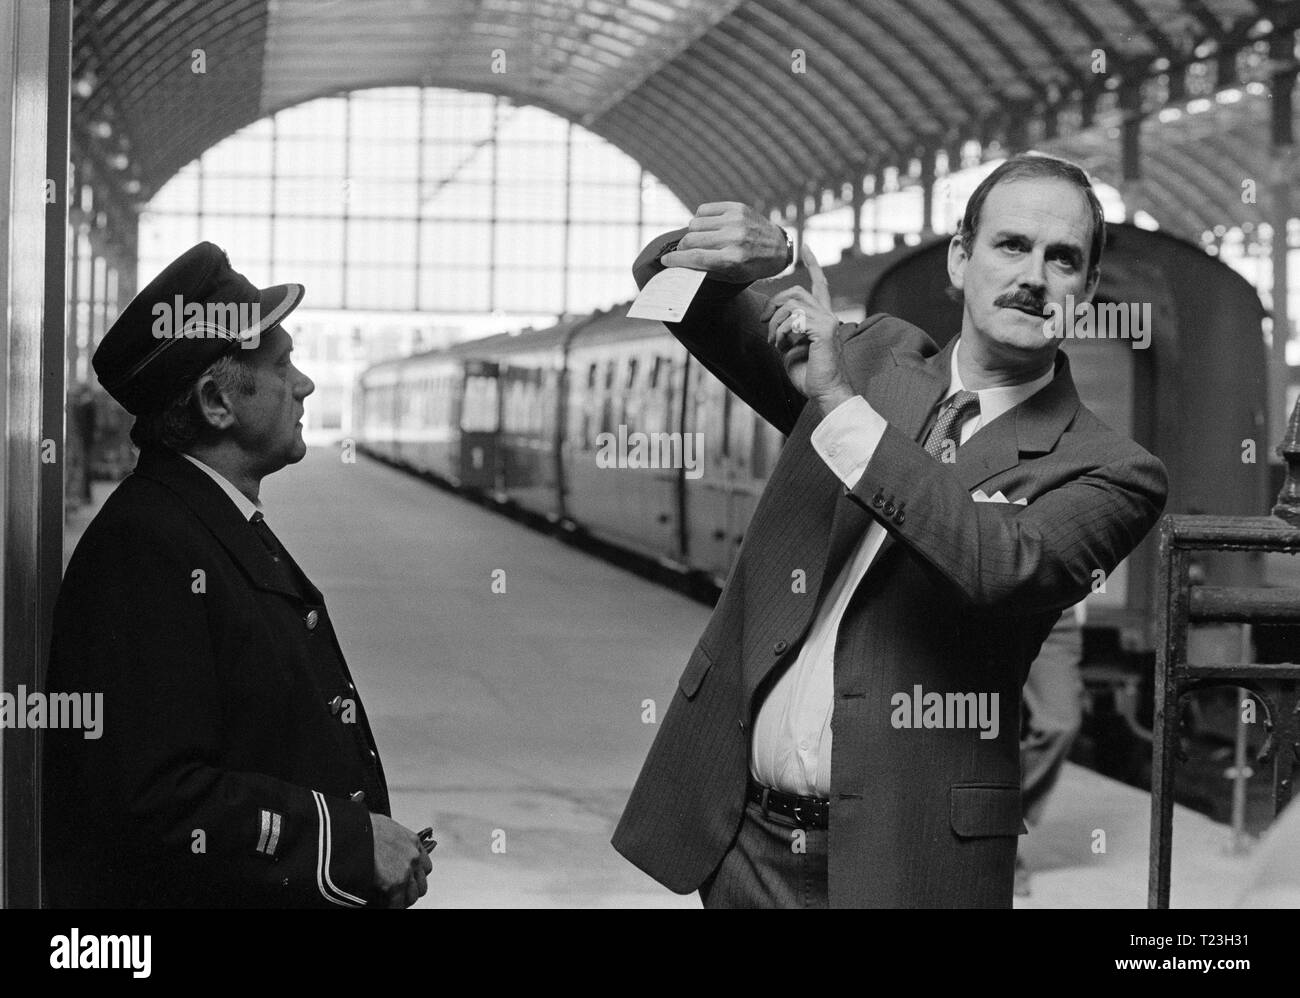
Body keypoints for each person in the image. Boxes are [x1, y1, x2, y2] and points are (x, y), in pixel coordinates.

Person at [612, 154, 1169, 907]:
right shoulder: (874, 357)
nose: (1034, 276)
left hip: (909, 866)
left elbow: (998, 565)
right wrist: (772, 254)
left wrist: (838, 402)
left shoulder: (1111, 469)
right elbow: (676, 297)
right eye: (1010, 245)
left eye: (1062, 258)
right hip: (742, 845)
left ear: (1088, 291)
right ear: (960, 259)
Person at [43, 242, 432, 908]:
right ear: (217, 400)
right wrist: (344, 842)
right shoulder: (149, 551)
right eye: (282, 364)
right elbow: (148, 798)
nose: (304, 383)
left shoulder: (200, 522)